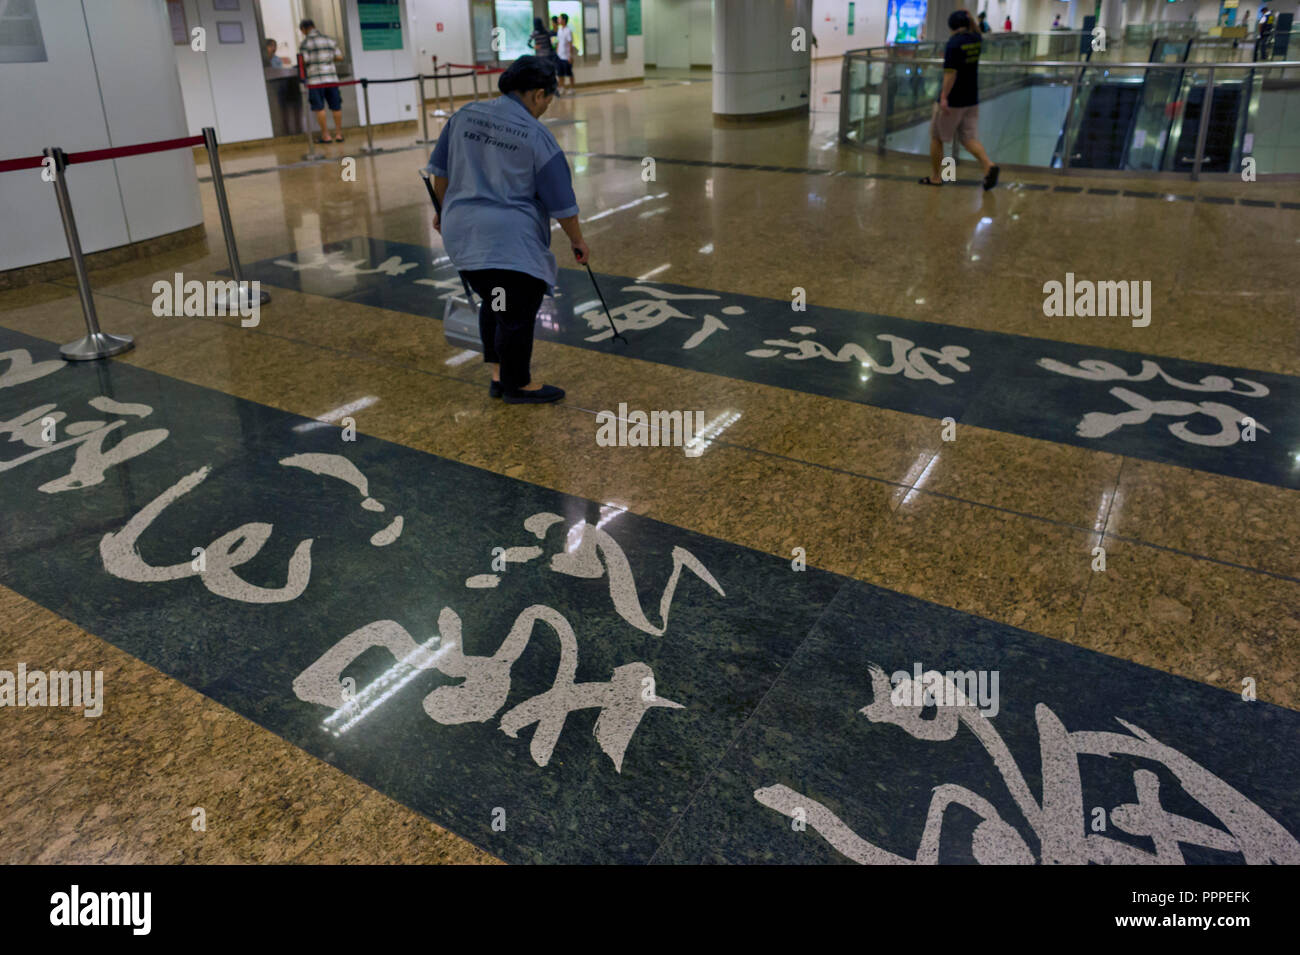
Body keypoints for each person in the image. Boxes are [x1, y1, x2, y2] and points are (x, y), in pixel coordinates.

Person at [426, 56, 586, 404]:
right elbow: (562, 201)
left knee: (495, 300)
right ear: (537, 94)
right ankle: (518, 384)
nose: (545, 107)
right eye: (547, 99)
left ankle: (498, 376)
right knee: (518, 307)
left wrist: (442, 212)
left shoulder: (463, 116)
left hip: (464, 234)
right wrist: (578, 241)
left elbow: (440, 170)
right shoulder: (537, 136)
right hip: (508, 239)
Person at [919, 10, 999, 190]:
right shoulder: (976, 39)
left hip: (954, 100)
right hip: (971, 98)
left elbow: (950, 74)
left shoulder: (953, 44)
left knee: (937, 137)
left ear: (951, 27)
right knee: (968, 138)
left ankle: (936, 177)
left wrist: (944, 97)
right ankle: (989, 165)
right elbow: (977, 30)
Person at [299, 19, 345, 143]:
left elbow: (304, 60)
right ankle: (339, 135)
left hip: (315, 81)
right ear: (314, 26)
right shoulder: (329, 40)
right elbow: (340, 57)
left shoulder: (305, 43)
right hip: (331, 79)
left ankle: (326, 136)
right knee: (336, 106)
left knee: (319, 108)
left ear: (303, 29)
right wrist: (327, 60)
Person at [556, 13, 578, 91]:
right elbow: (558, 42)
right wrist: (557, 53)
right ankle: (561, 87)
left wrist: (570, 56)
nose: (558, 20)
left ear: (564, 20)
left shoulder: (568, 31)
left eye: (560, 18)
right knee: (560, 73)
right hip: (560, 55)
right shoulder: (559, 30)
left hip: (566, 56)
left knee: (569, 73)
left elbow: (570, 44)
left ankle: (572, 88)